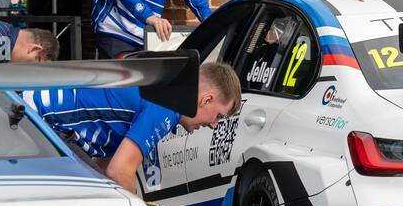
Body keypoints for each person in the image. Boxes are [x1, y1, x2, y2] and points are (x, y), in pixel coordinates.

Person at [24, 61, 241, 196]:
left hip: (32, 115)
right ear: (206, 99)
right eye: (218, 117)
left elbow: (105, 167)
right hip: (34, 121)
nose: (214, 125)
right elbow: (119, 171)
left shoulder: (166, 88)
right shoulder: (167, 106)